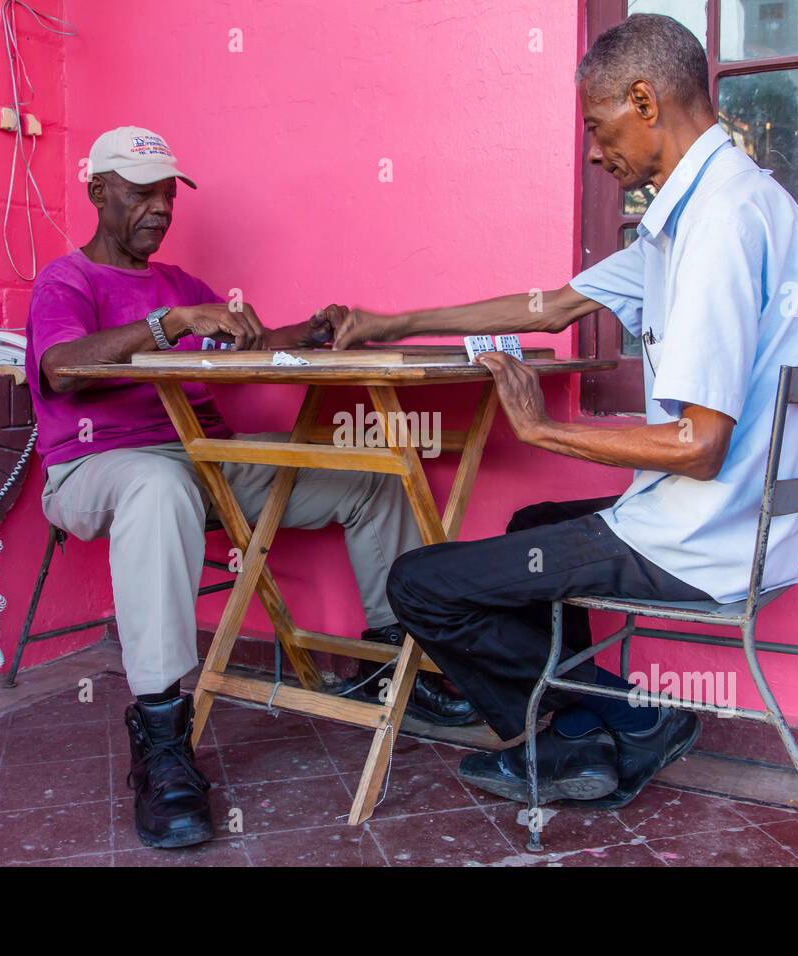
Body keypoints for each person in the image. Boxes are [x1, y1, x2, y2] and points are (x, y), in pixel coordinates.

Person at [320, 14, 798, 809]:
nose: (593, 151)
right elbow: (550, 308)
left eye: (598, 126)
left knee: (419, 584)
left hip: (705, 539)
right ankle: (585, 735)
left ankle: (629, 715)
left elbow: (700, 447)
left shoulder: (718, 228)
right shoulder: (711, 209)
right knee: (531, 529)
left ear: (644, 102)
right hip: (748, 523)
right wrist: (390, 324)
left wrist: (543, 427)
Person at [24, 125, 474, 850]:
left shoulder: (183, 287)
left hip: (203, 458)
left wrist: (313, 330)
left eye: (168, 196)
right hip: (93, 469)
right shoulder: (67, 282)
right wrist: (167, 325)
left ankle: (397, 666)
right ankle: (164, 736)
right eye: (143, 195)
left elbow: (252, 347)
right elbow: (63, 368)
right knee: (156, 490)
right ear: (98, 191)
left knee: (371, 472)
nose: (161, 210)